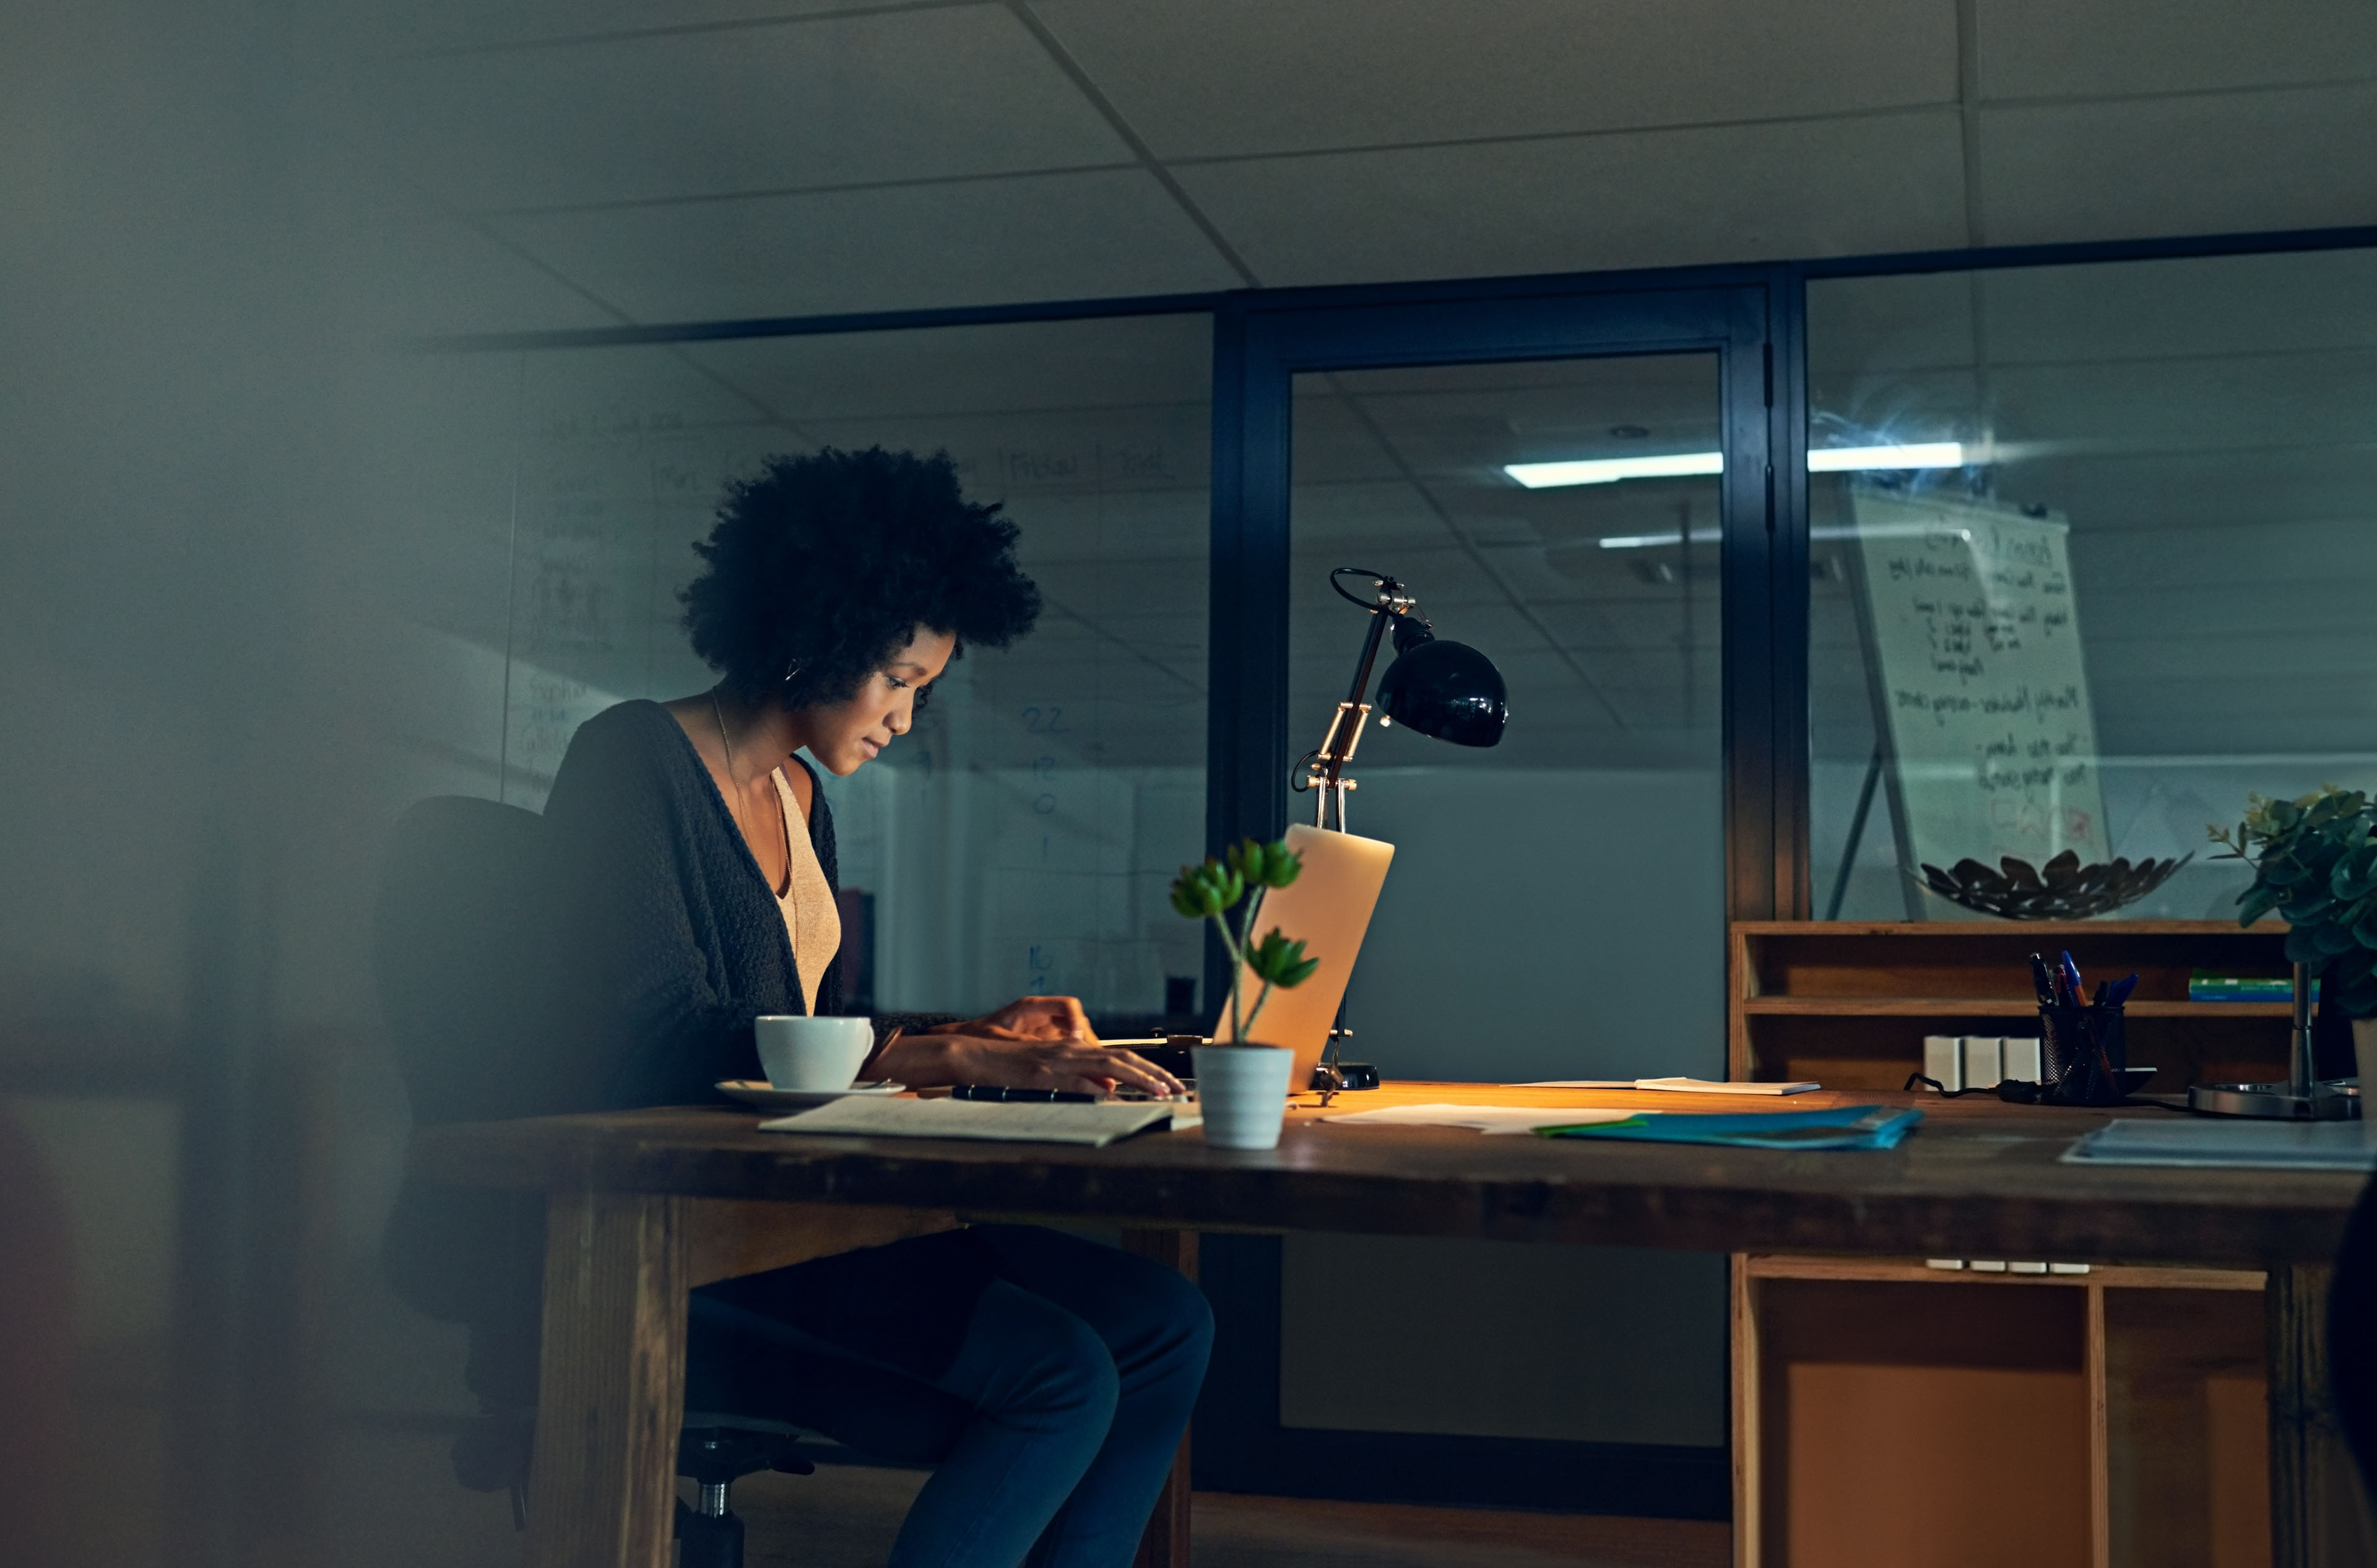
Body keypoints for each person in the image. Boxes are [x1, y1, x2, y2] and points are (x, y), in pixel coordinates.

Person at [539, 446, 1210, 1568]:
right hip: (694, 1231)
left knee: (1167, 1323)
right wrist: (940, 1054)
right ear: (815, 634)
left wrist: (976, 1033)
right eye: (898, 680)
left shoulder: (802, 793)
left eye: (923, 691)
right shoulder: (631, 761)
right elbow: (659, 1040)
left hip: (808, 1207)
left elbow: (811, 1037)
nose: (908, 716)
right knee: (1061, 1371)